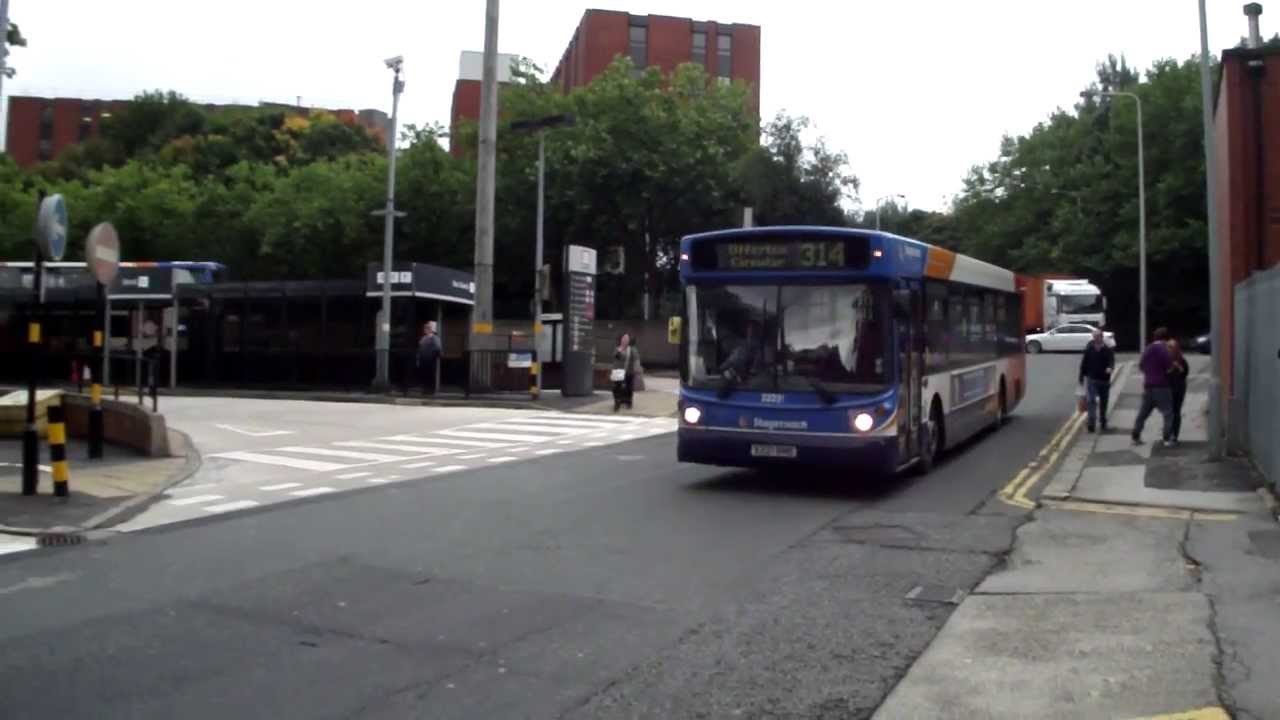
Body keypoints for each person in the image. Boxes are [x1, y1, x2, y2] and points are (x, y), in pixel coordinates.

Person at [1132, 327, 1175, 447]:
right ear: (1165, 338)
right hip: (1162, 386)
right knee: (1168, 413)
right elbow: (1169, 367)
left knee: (1143, 412)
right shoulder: (1163, 349)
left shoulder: (1148, 349)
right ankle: (1167, 439)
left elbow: (1141, 366)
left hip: (1148, 385)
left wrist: (1150, 373)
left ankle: (1136, 435)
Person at [1078, 328, 1115, 433]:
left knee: (1104, 402)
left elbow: (1112, 361)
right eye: (1094, 337)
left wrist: (1110, 368)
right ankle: (1091, 424)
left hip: (1104, 380)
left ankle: (1103, 421)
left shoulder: (1107, 350)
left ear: (1102, 337)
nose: (1096, 339)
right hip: (1092, 379)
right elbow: (1084, 363)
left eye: (1098, 337)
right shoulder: (1089, 349)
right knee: (1091, 401)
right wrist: (1081, 376)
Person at [1167, 338, 1189, 445]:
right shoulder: (1165, 359)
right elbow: (1162, 373)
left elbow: (1184, 373)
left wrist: (1178, 367)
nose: (1169, 349)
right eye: (1168, 347)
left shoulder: (1181, 360)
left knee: (1176, 412)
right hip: (1167, 389)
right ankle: (1167, 434)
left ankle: (1174, 435)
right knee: (1168, 412)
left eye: (1171, 347)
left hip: (1179, 389)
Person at [612, 332, 641, 411]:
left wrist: (637, 369)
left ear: (629, 340)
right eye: (624, 338)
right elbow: (616, 358)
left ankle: (628, 402)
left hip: (629, 371)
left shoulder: (632, 349)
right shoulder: (617, 348)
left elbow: (636, 359)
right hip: (617, 372)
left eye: (627, 339)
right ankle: (617, 403)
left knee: (629, 387)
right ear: (621, 340)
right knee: (616, 388)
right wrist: (620, 350)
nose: (625, 340)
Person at [416, 321, 442, 396]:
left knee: (430, 375)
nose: (424, 330)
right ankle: (425, 389)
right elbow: (420, 348)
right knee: (424, 375)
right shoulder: (423, 338)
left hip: (431, 360)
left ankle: (431, 390)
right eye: (424, 328)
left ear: (430, 329)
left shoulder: (435, 338)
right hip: (423, 360)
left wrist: (433, 357)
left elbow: (438, 349)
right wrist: (418, 358)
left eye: (426, 328)